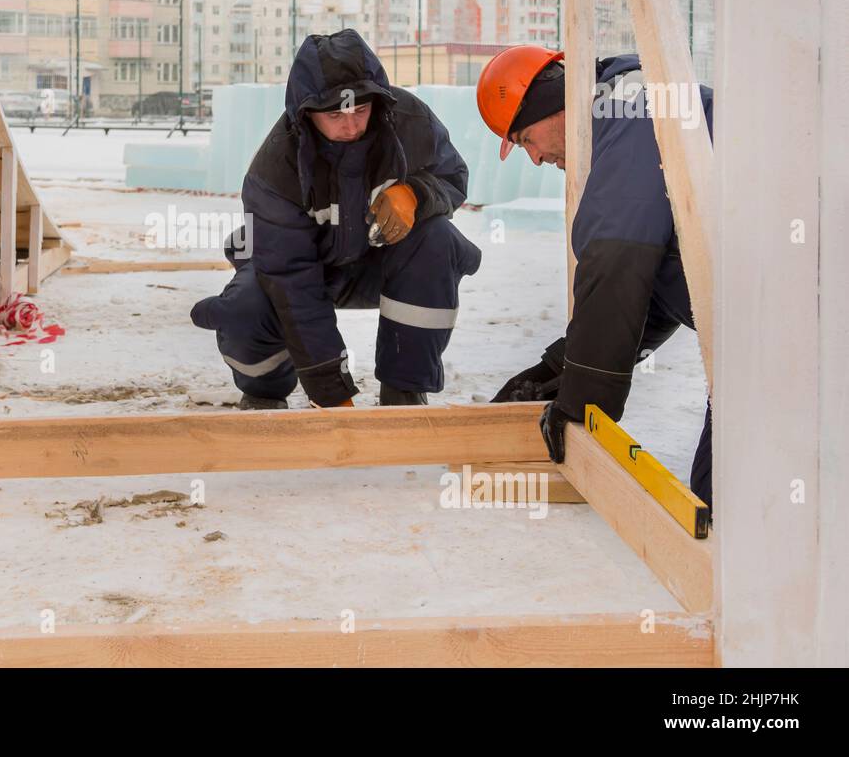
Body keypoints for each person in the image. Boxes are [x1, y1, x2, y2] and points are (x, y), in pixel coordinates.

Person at [476, 45, 716, 509]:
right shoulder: (626, 111)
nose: (535, 158)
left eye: (526, 139)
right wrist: (559, 369)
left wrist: (582, 403)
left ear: (549, 105)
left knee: (734, 513)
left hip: (790, 325)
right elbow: (658, 283)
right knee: (723, 505)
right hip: (767, 333)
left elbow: (617, 261)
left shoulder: (632, 108)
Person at [191, 29, 481, 409]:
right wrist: (331, 390)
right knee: (246, 308)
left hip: (386, 264)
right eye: (335, 115)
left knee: (438, 239)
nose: (351, 126)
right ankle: (264, 390)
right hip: (311, 271)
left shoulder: (409, 121)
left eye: (361, 110)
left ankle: (404, 388)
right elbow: (291, 279)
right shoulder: (275, 167)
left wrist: (416, 193)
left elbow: (452, 176)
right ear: (307, 112)